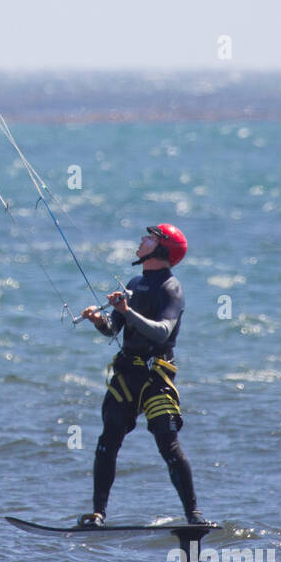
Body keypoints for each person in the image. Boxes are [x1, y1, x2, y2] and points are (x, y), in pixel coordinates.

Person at [78, 223, 206, 527]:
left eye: (150, 238)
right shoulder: (135, 282)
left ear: (162, 249)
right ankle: (98, 514)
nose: (142, 240)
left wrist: (126, 310)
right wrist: (99, 320)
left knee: (167, 441)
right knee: (108, 439)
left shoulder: (170, 287)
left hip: (155, 377)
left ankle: (194, 515)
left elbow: (162, 332)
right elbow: (114, 329)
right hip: (126, 373)